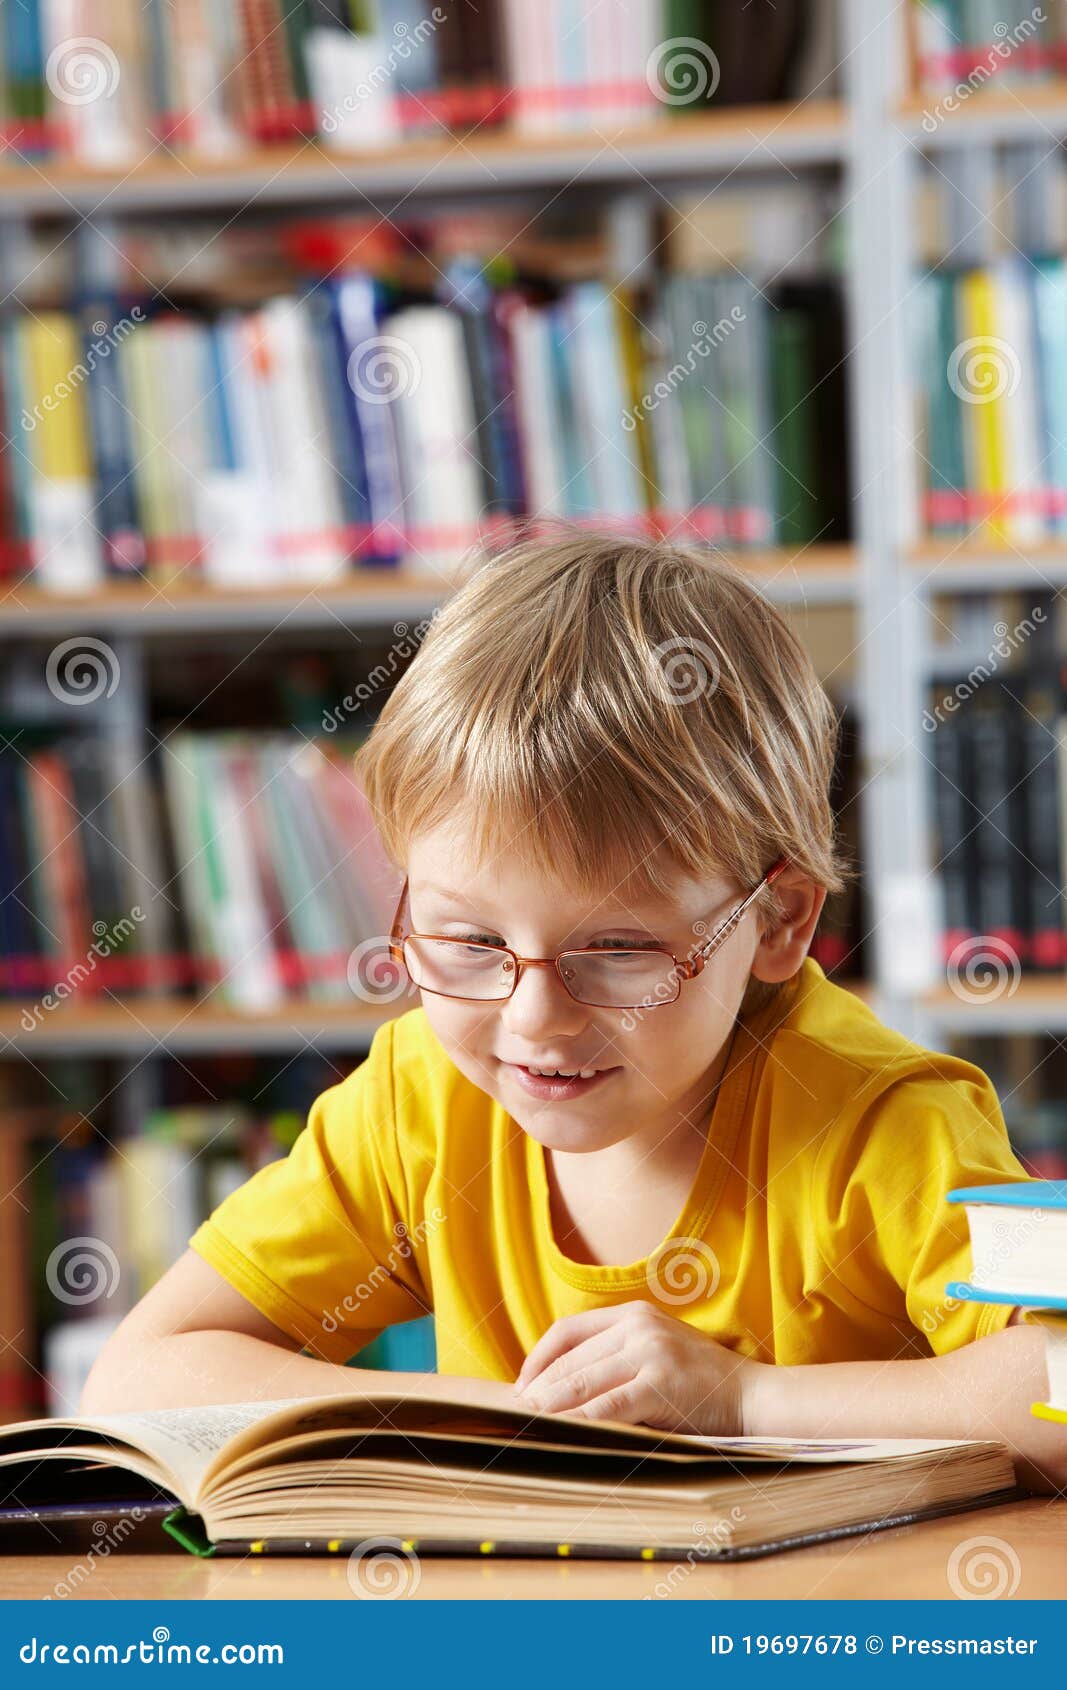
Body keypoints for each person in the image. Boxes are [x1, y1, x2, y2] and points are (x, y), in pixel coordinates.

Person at [82, 529, 1063, 1493]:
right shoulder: (412, 1102)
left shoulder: (885, 1119)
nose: (535, 1016)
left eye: (617, 950)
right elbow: (140, 1377)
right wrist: (496, 1427)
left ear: (777, 919)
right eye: (467, 942)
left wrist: (740, 1401)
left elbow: (1055, 1392)